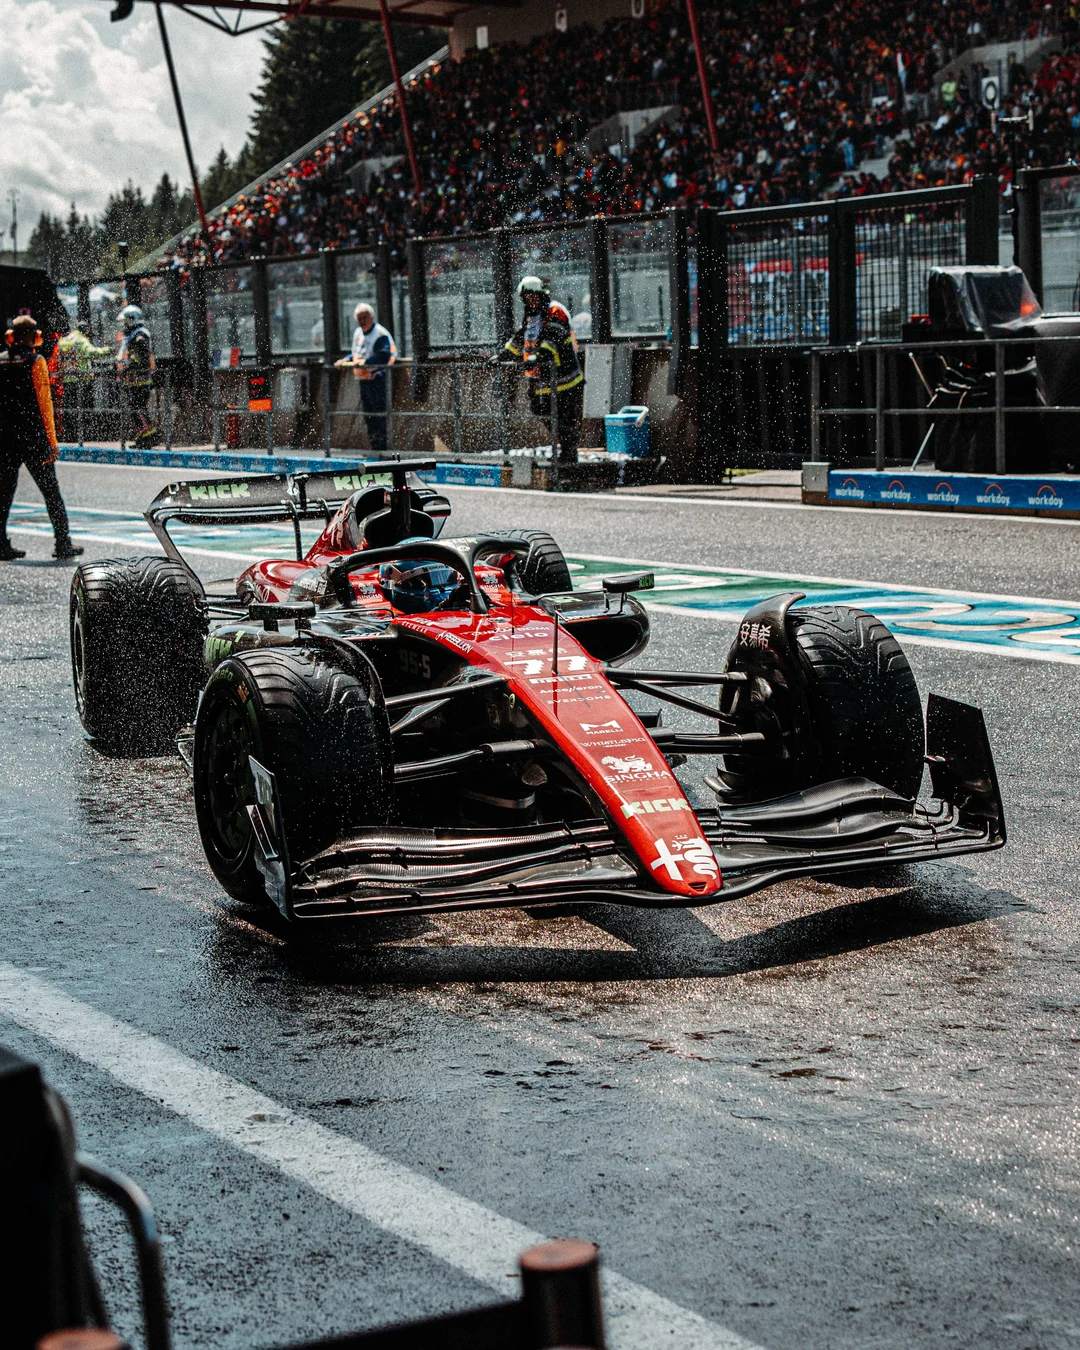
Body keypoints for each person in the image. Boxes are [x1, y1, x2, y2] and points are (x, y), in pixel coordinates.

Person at [0, 315, 82, 561]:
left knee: (4, 493)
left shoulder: (1, 360)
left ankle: (1, 544)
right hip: (33, 438)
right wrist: (52, 443)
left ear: (11, 336)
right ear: (34, 336)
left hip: (5, 439)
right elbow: (45, 405)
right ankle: (62, 543)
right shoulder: (36, 361)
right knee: (51, 492)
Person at [503, 276, 584, 466]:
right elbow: (521, 338)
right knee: (541, 409)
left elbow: (553, 338)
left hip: (564, 377)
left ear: (540, 295)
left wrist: (537, 357)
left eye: (532, 296)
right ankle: (564, 447)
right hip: (542, 377)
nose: (530, 300)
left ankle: (568, 453)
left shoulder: (555, 311)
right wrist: (503, 355)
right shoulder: (531, 315)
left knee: (564, 415)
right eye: (526, 297)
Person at [335, 303, 397, 453]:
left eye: (365, 317)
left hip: (377, 378)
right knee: (368, 414)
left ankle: (384, 447)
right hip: (363, 379)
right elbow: (357, 353)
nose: (362, 321)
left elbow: (384, 356)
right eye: (359, 318)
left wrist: (366, 363)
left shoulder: (379, 334)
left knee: (379, 413)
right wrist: (345, 360)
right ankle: (374, 445)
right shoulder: (358, 333)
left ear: (371, 317)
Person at [115, 304, 158, 448]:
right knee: (136, 407)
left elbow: (142, 356)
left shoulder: (140, 335)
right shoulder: (132, 335)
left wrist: (131, 364)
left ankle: (149, 436)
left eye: (126, 321)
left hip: (141, 379)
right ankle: (143, 435)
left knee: (137, 407)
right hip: (133, 379)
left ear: (132, 319)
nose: (124, 325)